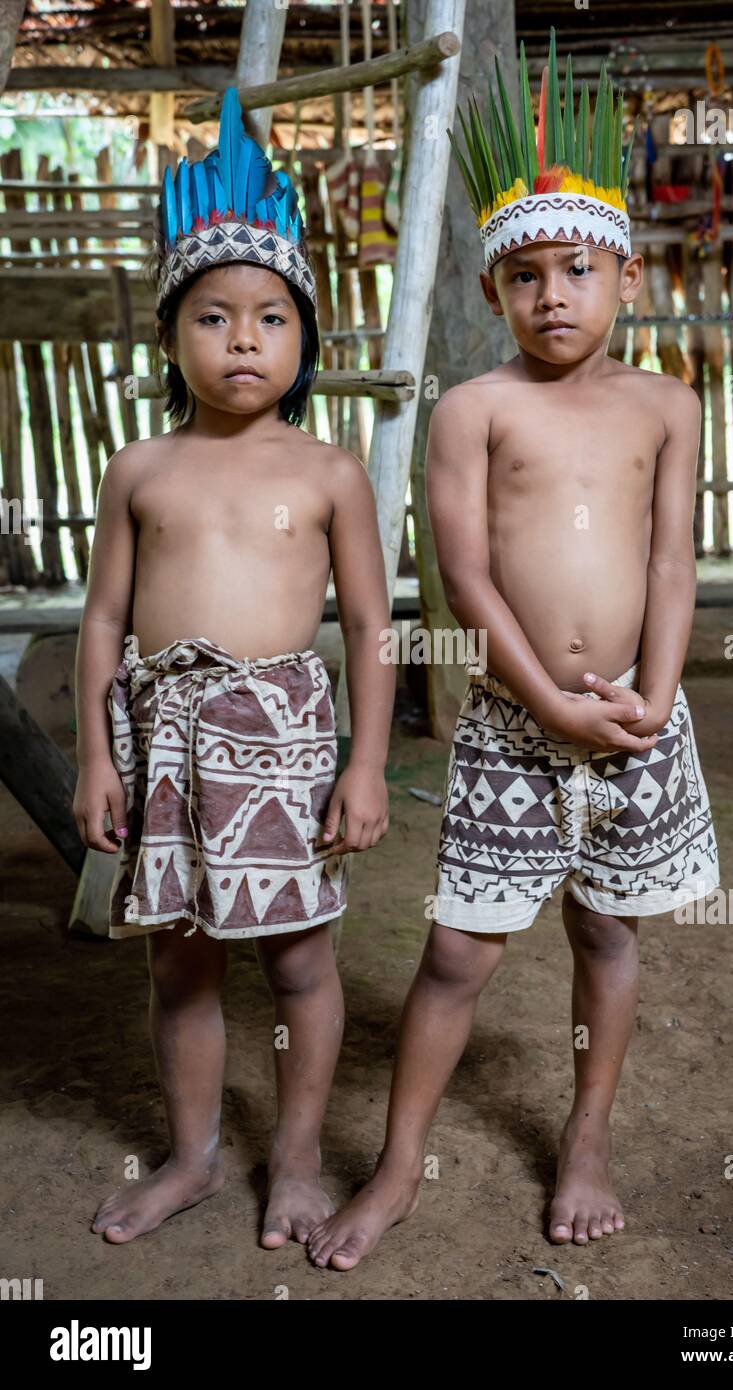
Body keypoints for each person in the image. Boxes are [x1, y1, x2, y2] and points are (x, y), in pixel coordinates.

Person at [307, 32, 720, 1271]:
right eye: (525, 272)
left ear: (624, 281)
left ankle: (583, 1139)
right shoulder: (473, 410)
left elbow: (668, 563)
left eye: (577, 269)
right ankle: (392, 1167)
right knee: (453, 953)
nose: (552, 294)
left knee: (606, 932)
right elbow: (466, 576)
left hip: (632, 721)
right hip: (509, 726)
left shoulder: (665, 405)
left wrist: (651, 693)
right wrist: (546, 698)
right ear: (492, 291)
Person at [73, 88, 395, 1246]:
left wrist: (364, 765)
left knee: (301, 961)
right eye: (212, 316)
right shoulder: (140, 470)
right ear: (169, 334)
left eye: (270, 316)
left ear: (306, 338)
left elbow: (366, 627)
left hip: (285, 743)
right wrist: (93, 759)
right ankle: (197, 1155)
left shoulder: (328, 474)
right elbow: (103, 619)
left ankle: (299, 1164)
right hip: (161, 738)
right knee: (182, 962)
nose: (243, 337)